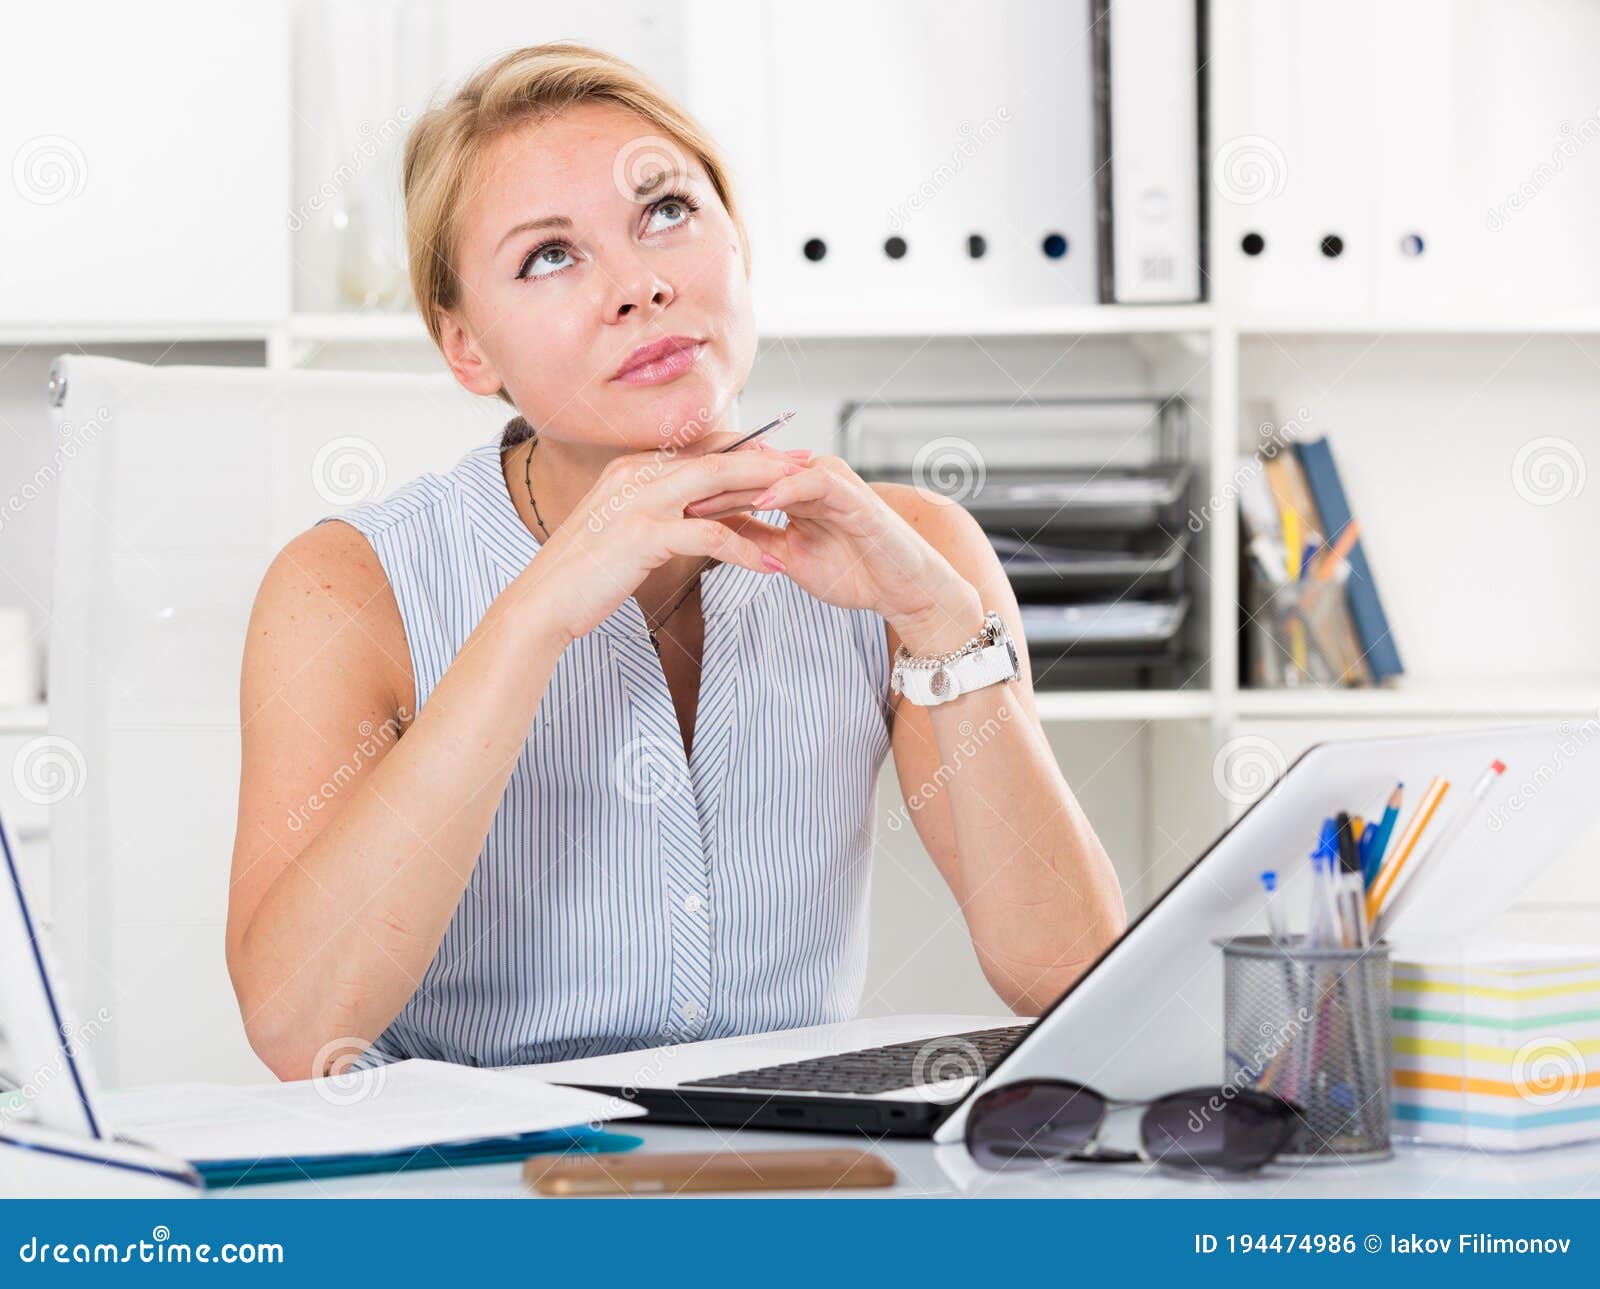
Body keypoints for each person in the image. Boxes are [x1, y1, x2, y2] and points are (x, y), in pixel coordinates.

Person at [225, 41, 1125, 1080]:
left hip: (791, 1154)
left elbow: (1071, 977)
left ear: (737, 241)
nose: (640, 286)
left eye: (665, 211)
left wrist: (942, 626)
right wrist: (533, 619)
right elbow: (299, 1030)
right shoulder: (345, 588)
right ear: (466, 346)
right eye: (549, 256)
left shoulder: (912, 553)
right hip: (475, 1163)